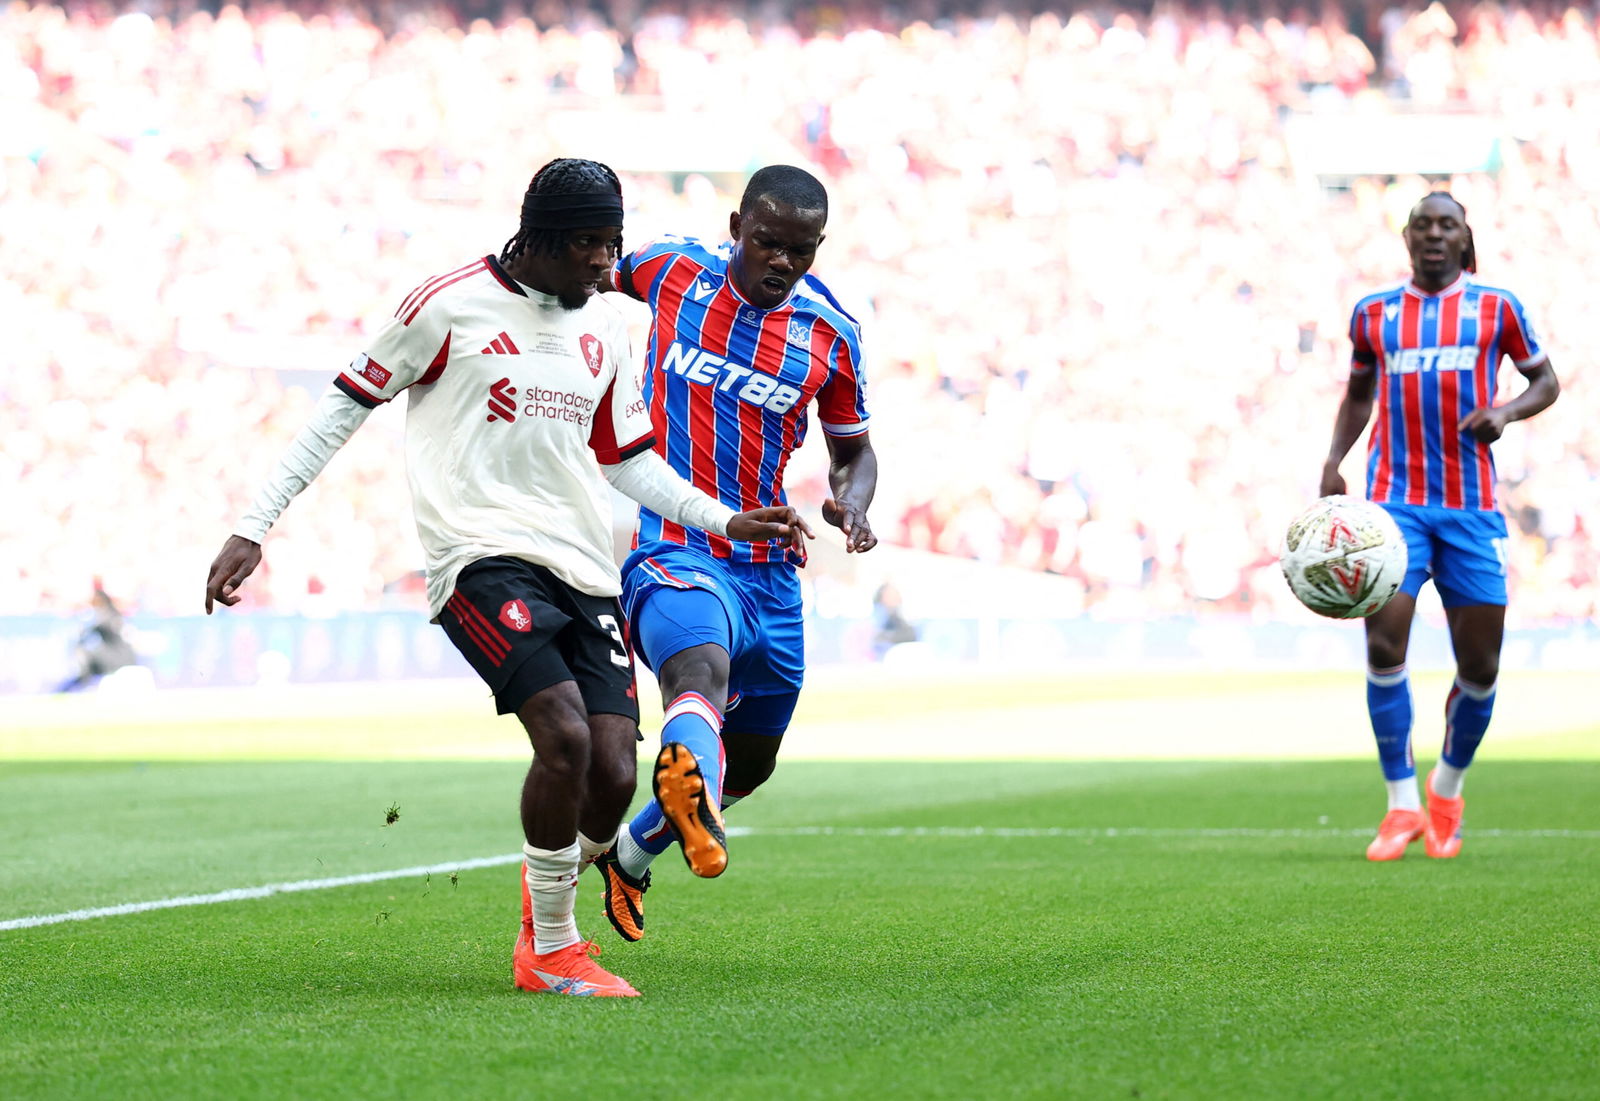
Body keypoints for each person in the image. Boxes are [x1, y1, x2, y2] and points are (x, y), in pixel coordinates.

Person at [203, 158, 811, 997]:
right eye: (590, 245)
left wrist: (724, 520)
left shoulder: (607, 329)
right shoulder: (447, 305)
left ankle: (547, 912)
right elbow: (344, 405)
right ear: (542, 238)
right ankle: (552, 948)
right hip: (480, 556)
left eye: (613, 244)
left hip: (583, 568)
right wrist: (254, 524)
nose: (606, 263)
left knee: (613, 771)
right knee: (563, 737)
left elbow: (628, 461)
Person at [592, 164, 876, 942]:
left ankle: (632, 852)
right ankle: (684, 776)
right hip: (675, 544)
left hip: (771, 567)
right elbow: (578, 278)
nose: (783, 261)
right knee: (700, 673)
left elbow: (854, 451)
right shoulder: (669, 268)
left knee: (750, 764)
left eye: (801, 249)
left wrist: (852, 501)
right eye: (768, 242)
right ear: (736, 228)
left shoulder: (831, 334)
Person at [1320, 191, 1560, 862]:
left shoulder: (1498, 307)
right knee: (1383, 645)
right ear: (1407, 238)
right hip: (1392, 508)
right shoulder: (1374, 314)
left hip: (1470, 509)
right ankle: (1401, 805)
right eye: (1422, 224)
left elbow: (1546, 382)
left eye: (1445, 225)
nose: (1433, 234)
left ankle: (1446, 788)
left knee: (1480, 665)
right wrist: (1334, 460)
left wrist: (1505, 413)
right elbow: (1359, 393)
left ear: (1463, 238)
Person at [57, 585, 139, 692]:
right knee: (89, 653)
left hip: (117, 656)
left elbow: (91, 630)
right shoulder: (113, 613)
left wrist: (81, 636)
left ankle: (78, 684)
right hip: (124, 655)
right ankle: (78, 683)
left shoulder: (107, 615)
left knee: (85, 655)